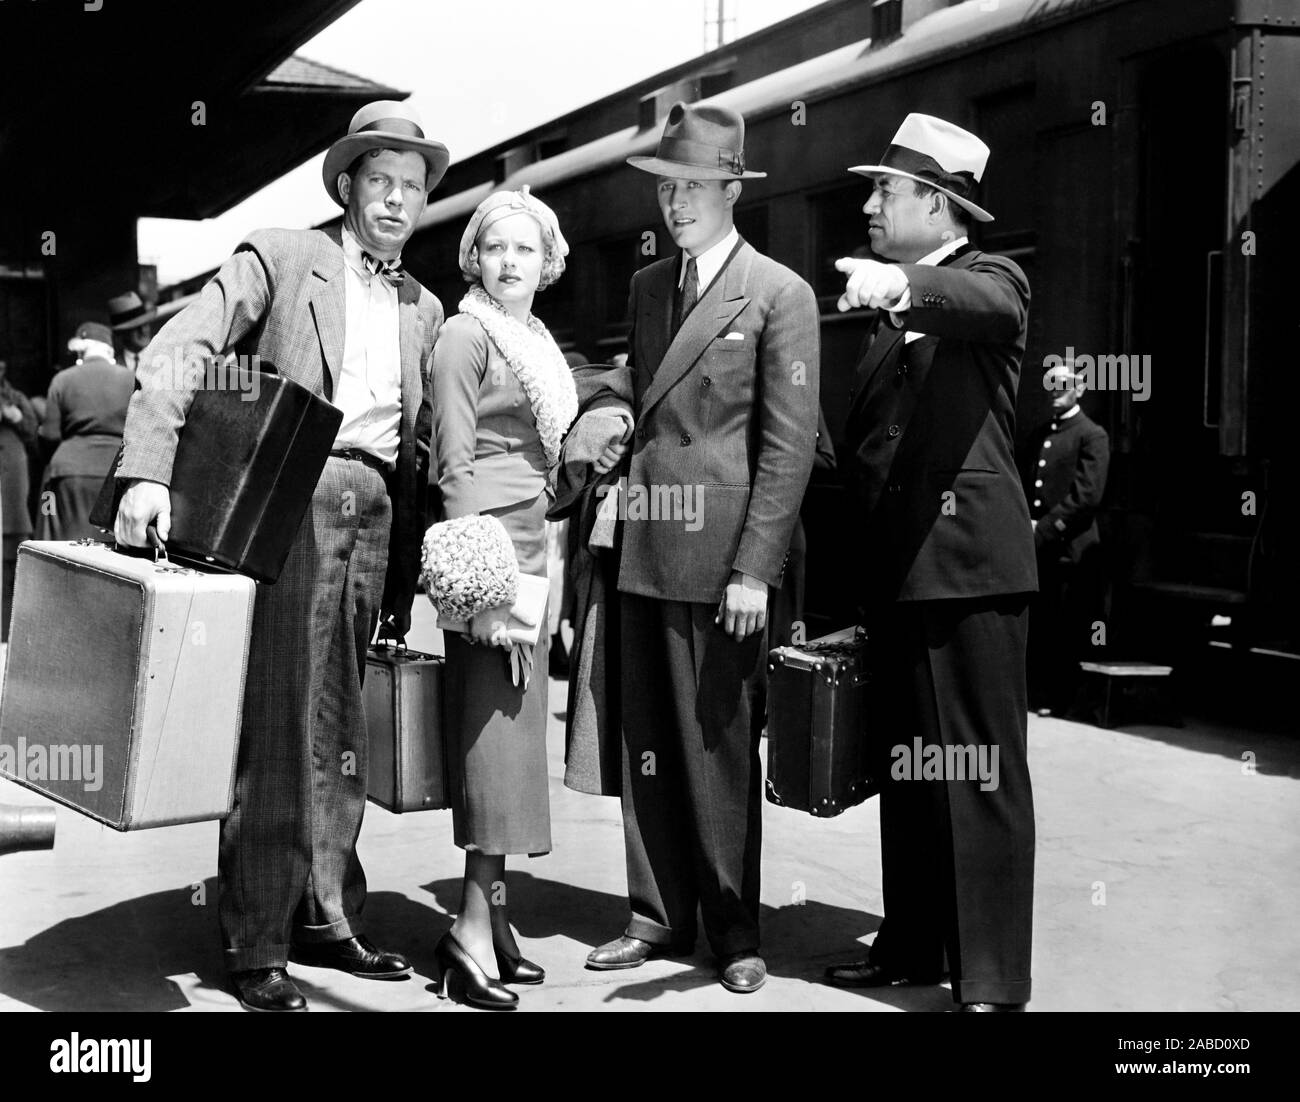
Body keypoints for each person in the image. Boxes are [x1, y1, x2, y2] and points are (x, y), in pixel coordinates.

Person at [113, 100, 449, 1012]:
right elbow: (179, 351)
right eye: (379, 181)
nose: (395, 201)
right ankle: (257, 937)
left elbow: (423, 445)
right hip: (290, 496)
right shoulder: (283, 255)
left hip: (376, 508)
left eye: (412, 188)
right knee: (278, 721)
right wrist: (147, 471)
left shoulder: (424, 306)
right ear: (347, 185)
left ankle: (327, 915)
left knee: (343, 728)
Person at [584, 102, 821, 994]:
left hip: (723, 561)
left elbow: (789, 446)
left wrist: (756, 570)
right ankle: (654, 913)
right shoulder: (652, 290)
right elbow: (633, 384)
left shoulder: (777, 294)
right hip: (646, 545)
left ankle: (734, 930)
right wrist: (601, 409)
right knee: (649, 743)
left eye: (693, 186)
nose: (676, 203)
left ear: (732, 189)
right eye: (666, 187)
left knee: (719, 748)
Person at [825, 114, 1037, 1011]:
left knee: (979, 772)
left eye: (886, 191)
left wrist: (902, 286)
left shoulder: (990, 279)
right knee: (913, 772)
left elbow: (987, 306)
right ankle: (912, 944)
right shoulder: (886, 314)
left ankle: (990, 974)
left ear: (937, 204)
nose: (871, 206)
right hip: (902, 577)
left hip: (972, 571)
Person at [429, 186, 579, 1010]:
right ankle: (467, 935)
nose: (510, 261)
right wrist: (481, 590)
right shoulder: (464, 333)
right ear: (475, 259)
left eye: (526, 248)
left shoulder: (531, 336)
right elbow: (453, 465)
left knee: (516, 748)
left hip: (533, 547)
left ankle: (497, 923)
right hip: (488, 556)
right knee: (493, 749)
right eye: (496, 248)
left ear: (546, 261)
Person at [1021, 365, 1111, 714]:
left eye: (1063, 385)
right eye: (1051, 385)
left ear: (1081, 387)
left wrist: (1042, 529)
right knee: (1042, 624)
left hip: (1070, 548)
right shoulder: (1043, 433)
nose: (1055, 391)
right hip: (1042, 551)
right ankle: (1040, 692)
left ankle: (1061, 698)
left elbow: (1086, 496)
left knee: (1066, 626)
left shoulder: (1091, 435)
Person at [37, 321, 134, 541]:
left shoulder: (62, 380)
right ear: (109, 350)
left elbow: (50, 436)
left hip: (67, 475)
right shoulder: (130, 379)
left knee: (60, 537)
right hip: (115, 473)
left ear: (82, 350)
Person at [0, 356, 38, 641]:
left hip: (12, 473)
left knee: (13, 555)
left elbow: (33, 433)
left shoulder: (16, 398)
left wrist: (15, 416)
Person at [108, 292, 156, 374]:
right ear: (122, 333)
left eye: (145, 324)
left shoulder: (165, 358)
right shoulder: (112, 369)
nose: (143, 330)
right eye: (136, 327)